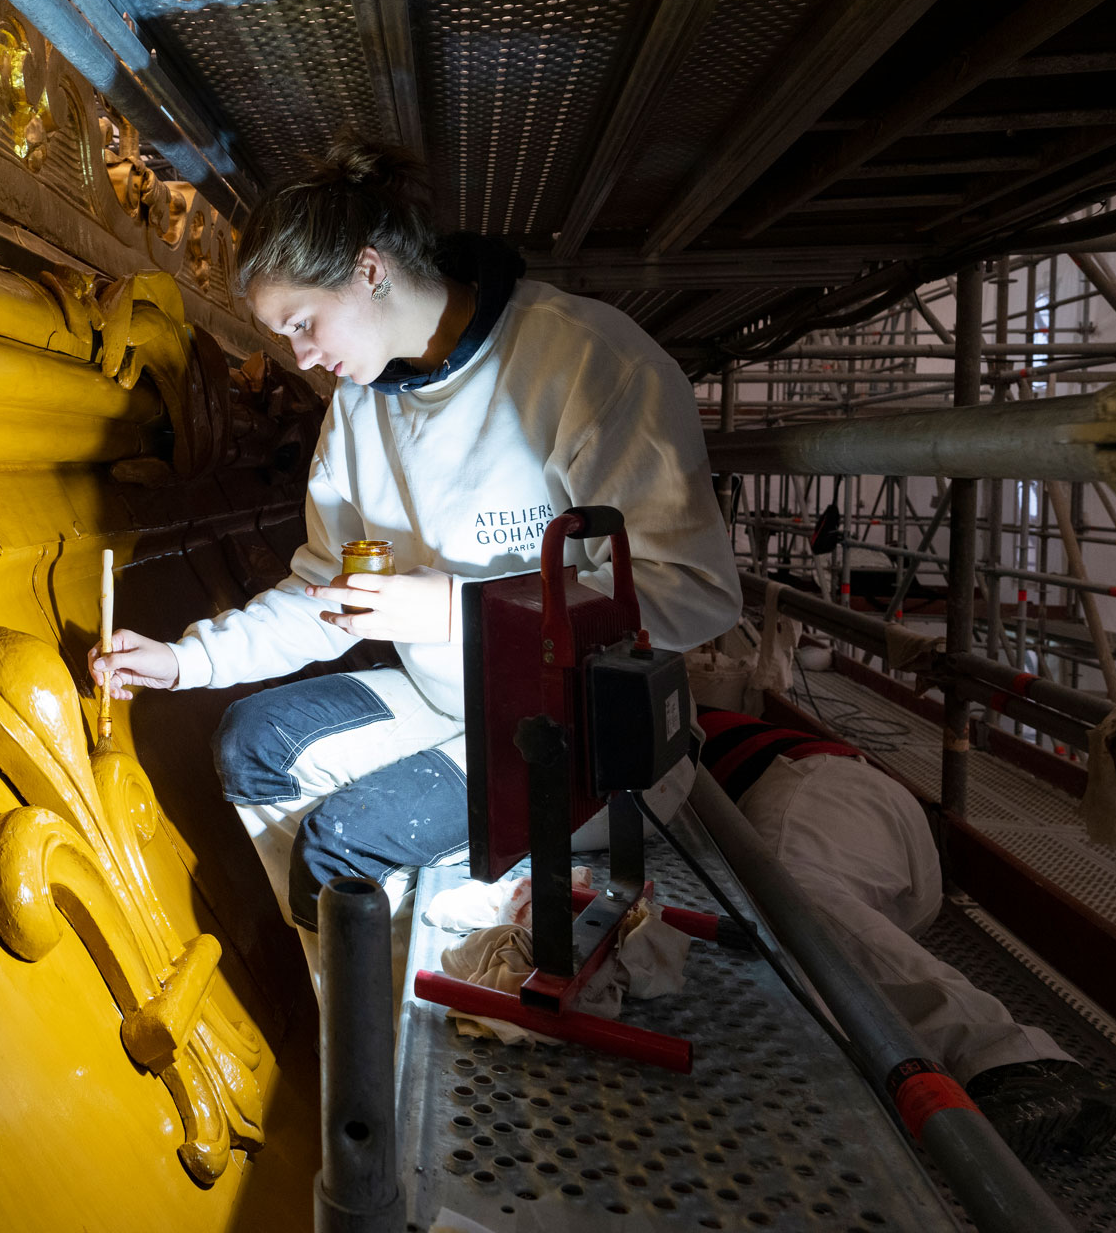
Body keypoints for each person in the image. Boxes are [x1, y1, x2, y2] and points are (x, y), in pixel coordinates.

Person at [88, 137, 742, 944]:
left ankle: (395, 1011)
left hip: (585, 734)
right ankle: (367, 989)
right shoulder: (361, 409)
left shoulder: (584, 363)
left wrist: (456, 611)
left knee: (346, 840)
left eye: (303, 324)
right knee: (253, 742)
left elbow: (696, 590)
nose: (302, 357)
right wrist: (187, 659)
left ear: (369, 270)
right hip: (450, 702)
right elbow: (326, 592)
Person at [698, 710, 1116, 1161]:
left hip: (824, 792)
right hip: (885, 849)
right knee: (805, 960)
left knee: (789, 901)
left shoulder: (656, 711)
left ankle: (1017, 1059)